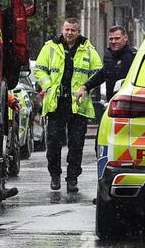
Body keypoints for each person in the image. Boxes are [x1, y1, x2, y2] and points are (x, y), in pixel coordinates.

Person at [34, 17, 103, 194]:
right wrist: (48, 86)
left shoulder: (88, 49)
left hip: (78, 105)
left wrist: (86, 87)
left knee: (76, 144)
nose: (69, 33)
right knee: (54, 142)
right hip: (56, 103)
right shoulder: (50, 47)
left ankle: (72, 179)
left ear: (78, 31)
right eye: (67, 29)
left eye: (73, 30)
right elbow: (39, 69)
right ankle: (55, 176)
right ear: (62, 29)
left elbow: (98, 72)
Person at [86, 24, 137, 103]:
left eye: (117, 38)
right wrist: (86, 87)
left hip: (128, 103)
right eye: (111, 39)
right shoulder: (108, 55)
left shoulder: (134, 56)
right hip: (111, 103)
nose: (113, 41)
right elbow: (103, 74)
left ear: (126, 38)